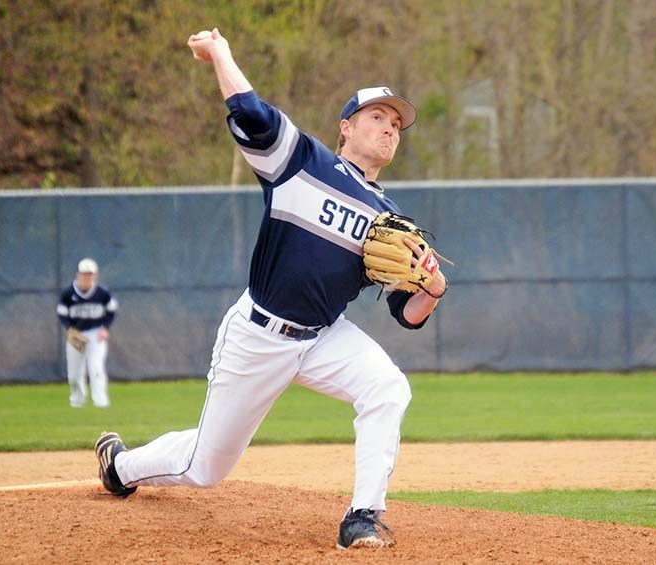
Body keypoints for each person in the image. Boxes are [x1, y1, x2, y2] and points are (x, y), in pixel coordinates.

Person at [94, 27, 447, 550]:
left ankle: (363, 517)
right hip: (259, 333)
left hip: (323, 336)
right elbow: (251, 114)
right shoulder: (303, 163)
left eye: (396, 123)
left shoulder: (392, 221)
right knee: (207, 467)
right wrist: (221, 53)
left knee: (388, 388)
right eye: (378, 116)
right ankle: (121, 467)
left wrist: (433, 288)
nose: (390, 128)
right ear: (345, 127)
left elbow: (405, 313)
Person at [57, 258, 118, 408]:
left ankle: (101, 402)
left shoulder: (102, 293)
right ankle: (77, 401)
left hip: (95, 333)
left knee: (96, 368)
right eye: (84, 274)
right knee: (74, 373)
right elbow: (62, 314)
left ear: (95, 276)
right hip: (76, 334)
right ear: (78, 275)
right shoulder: (68, 294)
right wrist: (69, 329)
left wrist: (105, 328)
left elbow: (111, 311)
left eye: (90, 274)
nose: (87, 277)